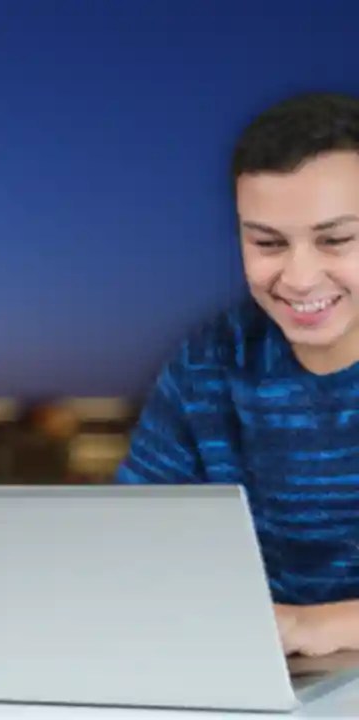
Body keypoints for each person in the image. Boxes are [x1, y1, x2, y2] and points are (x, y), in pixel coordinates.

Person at [116, 91, 359, 658]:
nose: (299, 278)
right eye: (268, 243)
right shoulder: (210, 363)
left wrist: (311, 627)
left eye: (337, 240)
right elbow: (131, 548)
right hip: (264, 686)